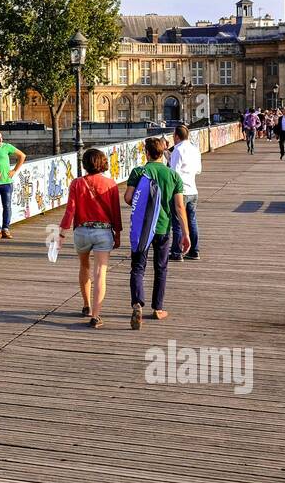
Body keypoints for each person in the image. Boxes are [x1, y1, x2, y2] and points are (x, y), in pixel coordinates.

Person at [124, 137, 191, 330]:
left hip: (142, 227)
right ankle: (158, 308)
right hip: (162, 227)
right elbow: (179, 207)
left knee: (138, 267)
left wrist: (141, 205)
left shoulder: (139, 172)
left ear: (146, 152)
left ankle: (137, 303)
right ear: (163, 152)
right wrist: (185, 234)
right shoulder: (173, 175)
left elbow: (128, 197)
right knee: (160, 268)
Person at [57, 147, 123, 329]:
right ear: (102, 163)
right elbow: (115, 213)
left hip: (82, 232)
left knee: (84, 266)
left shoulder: (77, 183)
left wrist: (62, 233)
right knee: (100, 273)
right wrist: (118, 234)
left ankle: (86, 305)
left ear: (84, 164)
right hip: (103, 232)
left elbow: (70, 210)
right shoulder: (111, 184)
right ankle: (95, 316)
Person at [168, 124, 202, 262]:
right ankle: (194, 251)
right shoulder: (195, 149)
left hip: (180, 192)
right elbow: (199, 170)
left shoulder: (178, 150)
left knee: (177, 222)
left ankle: (177, 251)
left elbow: (174, 173)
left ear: (176, 136)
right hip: (193, 190)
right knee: (192, 221)